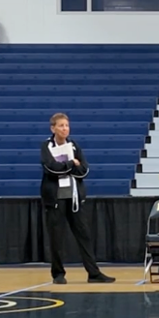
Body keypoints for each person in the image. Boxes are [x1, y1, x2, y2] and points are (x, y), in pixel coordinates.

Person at [40, 113, 116, 285]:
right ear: (53, 128)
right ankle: (58, 274)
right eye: (61, 125)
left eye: (67, 125)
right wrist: (69, 165)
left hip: (74, 199)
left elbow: (84, 170)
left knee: (84, 235)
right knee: (56, 238)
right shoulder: (46, 146)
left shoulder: (74, 146)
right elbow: (50, 169)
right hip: (55, 199)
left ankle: (93, 273)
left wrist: (70, 167)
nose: (65, 128)